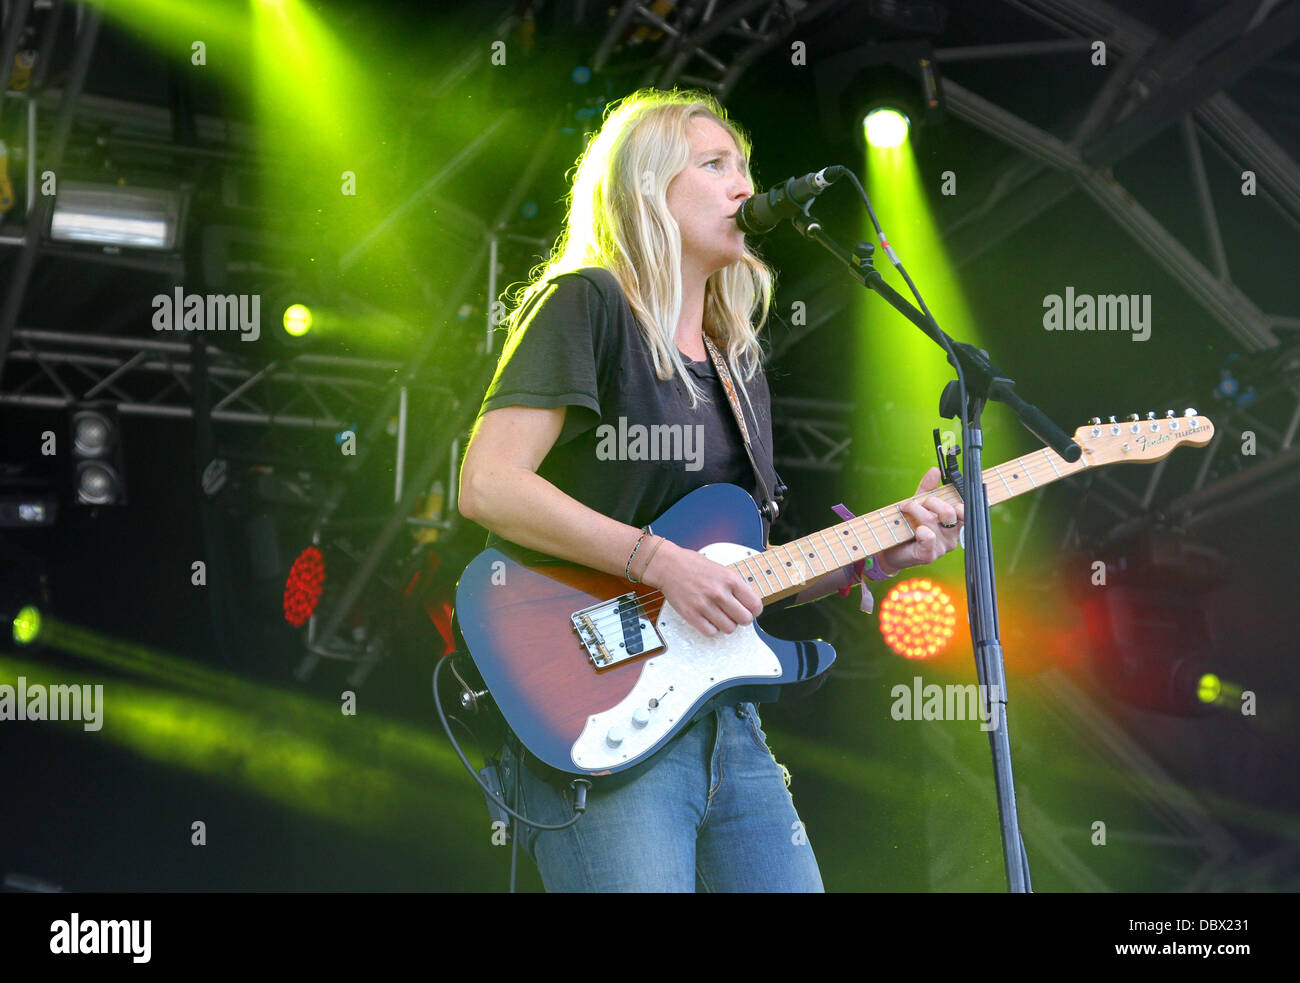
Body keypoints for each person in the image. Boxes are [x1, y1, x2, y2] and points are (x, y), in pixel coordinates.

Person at [457, 87, 963, 892]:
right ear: (645, 188)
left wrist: (880, 551)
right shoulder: (587, 304)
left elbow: (742, 573)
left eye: (745, 167)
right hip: (597, 707)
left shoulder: (737, 364)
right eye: (715, 164)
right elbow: (487, 484)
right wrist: (658, 561)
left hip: (726, 725)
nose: (743, 186)